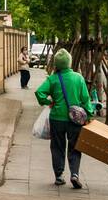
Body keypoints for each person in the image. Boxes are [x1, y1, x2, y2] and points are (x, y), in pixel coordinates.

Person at [34, 48, 89, 189]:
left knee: (57, 147)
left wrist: (48, 102)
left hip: (57, 119)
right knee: (75, 147)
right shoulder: (78, 78)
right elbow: (85, 99)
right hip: (75, 120)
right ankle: (75, 174)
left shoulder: (52, 79)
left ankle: (59, 176)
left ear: (57, 64)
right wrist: (89, 114)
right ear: (69, 62)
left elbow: (39, 92)